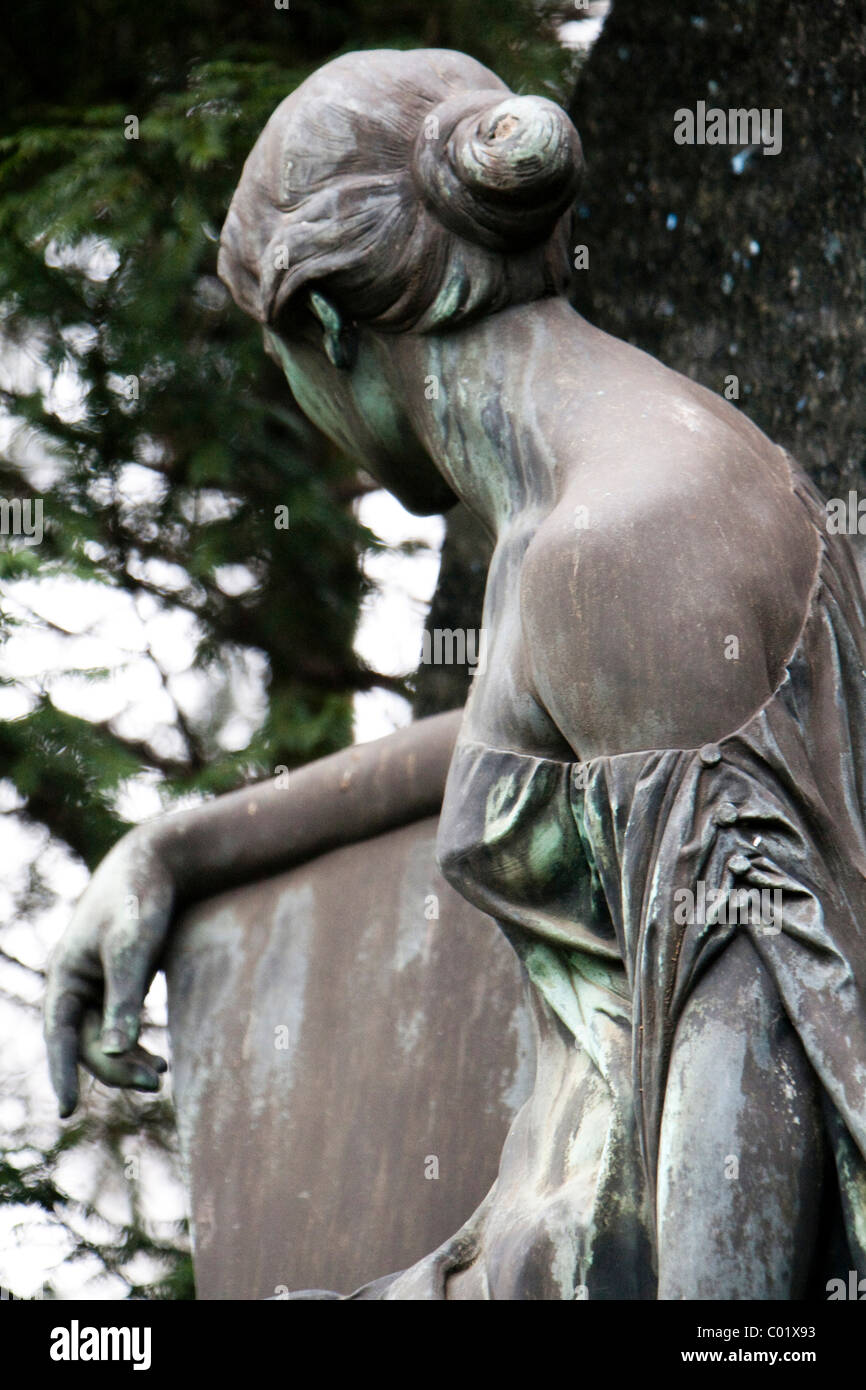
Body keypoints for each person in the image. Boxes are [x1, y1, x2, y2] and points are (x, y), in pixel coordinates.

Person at [45, 48, 866, 1299]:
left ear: (322, 325)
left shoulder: (629, 536)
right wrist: (188, 845)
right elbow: (530, 753)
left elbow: (745, 1028)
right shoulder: (585, 512)